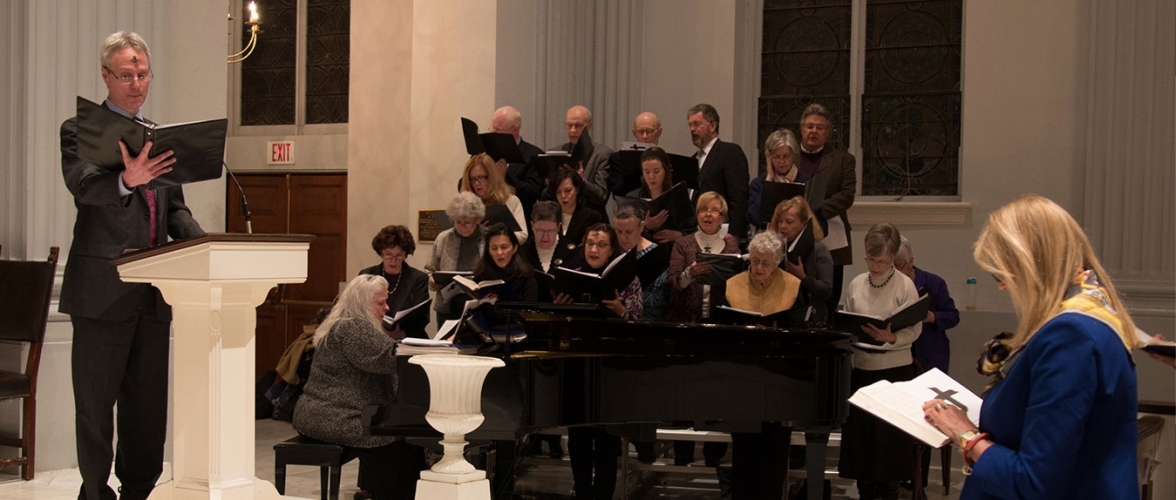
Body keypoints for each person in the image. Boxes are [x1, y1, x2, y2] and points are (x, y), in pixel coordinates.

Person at [59, 31, 206, 500]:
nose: (136, 83)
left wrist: (209, 247)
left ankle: (139, 491)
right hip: (102, 289)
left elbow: (175, 210)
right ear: (106, 75)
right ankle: (95, 493)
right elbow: (84, 186)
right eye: (126, 75)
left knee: (146, 408)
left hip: (153, 292)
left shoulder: (162, 136)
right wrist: (126, 179)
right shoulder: (80, 129)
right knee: (96, 408)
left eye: (143, 74)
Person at [923, 195, 1139, 500]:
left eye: (1000, 274)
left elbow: (1035, 482)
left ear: (1030, 264)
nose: (1001, 286)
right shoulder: (1093, 316)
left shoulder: (1070, 336)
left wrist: (965, 435)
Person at [293, 275, 426, 500]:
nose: (387, 307)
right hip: (332, 415)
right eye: (380, 303)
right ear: (363, 303)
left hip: (332, 411)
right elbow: (388, 359)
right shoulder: (353, 327)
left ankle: (377, 491)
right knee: (394, 442)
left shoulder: (345, 323)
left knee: (401, 438)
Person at [555, 223, 642, 500]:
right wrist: (559, 308)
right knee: (579, 441)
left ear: (612, 249)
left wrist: (621, 311)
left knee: (607, 444)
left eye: (601, 244)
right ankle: (581, 492)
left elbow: (640, 326)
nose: (593, 249)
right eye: (590, 243)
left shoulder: (628, 281)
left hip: (611, 372)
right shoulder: (573, 276)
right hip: (577, 370)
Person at [837, 223, 922, 500]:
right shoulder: (857, 283)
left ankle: (888, 494)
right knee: (862, 444)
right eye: (870, 259)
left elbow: (914, 328)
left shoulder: (904, 285)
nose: (875, 266)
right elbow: (848, 318)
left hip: (894, 371)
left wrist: (891, 336)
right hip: (861, 370)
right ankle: (865, 493)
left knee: (888, 446)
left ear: (893, 257)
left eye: (882, 261)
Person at [665, 192, 740, 468]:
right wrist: (689, 274)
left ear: (723, 218)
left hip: (719, 328)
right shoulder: (683, 245)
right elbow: (672, 286)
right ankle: (682, 454)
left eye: (715, 211)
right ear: (697, 215)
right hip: (687, 326)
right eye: (703, 210)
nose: (709, 215)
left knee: (715, 391)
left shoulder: (732, 244)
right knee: (684, 391)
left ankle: (713, 455)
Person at [892, 235, 959, 488]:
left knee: (926, 415)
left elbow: (953, 316)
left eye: (899, 265)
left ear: (911, 262)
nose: (895, 269)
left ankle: (916, 478)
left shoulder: (933, 283)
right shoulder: (889, 284)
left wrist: (931, 316)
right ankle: (899, 471)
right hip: (900, 355)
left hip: (931, 355)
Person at [795, 103, 857, 326]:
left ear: (828, 131)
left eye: (820, 127)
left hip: (832, 235)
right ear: (801, 128)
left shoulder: (842, 160)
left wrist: (814, 212)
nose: (813, 131)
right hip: (792, 234)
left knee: (828, 297)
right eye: (809, 126)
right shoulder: (787, 156)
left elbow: (847, 195)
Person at [688, 103, 750, 241]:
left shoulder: (729, 152)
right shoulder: (693, 159)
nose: (692, 129)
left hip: (723, 234)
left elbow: (739, 195)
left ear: (712, 126)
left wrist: (735, 233)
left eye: (697, 124)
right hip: (697, 235)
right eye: (690, 125)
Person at [769, 196, 835, 325]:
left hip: (810, 320)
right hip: (779, 317)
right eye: (780, 221)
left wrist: (803, 277)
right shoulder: (775, 249)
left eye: (789, 222)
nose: (782, 226)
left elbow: (826, 290)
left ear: (804, 223)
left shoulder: (819, 250)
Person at [358, 225, 431, 339]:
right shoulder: (367, 275)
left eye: (399, 255)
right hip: (373, 337)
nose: (393, 260)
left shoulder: (418, 278)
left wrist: (402, 334)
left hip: (408, 338)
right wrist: (381, 332)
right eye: (388, 254)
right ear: (381, 253)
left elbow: (422, 317)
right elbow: (359, 310)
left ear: (405, 255)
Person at [426, 192, 487, 325]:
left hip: (480, 306)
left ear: (477, 219)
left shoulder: (488, 238)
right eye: (458, 222)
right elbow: (430, 270)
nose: (462, 226)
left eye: (467, 222)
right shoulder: (444, 238)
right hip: (448, 307)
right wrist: (432, 281)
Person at [724, 232, 803, 325]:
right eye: (755, 261)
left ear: (776, 263)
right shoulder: (732, 284)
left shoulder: (793, 284)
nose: (759, 268)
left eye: (766, 263)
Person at [613, 204, 670, 322]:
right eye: (619, 231)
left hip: (647, 322)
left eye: (629, 232)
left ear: (642, 227)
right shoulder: (610, 250)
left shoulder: (658, 255)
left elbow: (659, 299)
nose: (623, 237)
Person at [489, 105, 546, 220]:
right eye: (492, 129)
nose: (493, 134)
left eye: (498, 130)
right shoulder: (487, 152)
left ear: (515, 129)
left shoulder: (534, 154)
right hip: (489, 216)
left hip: (519, 218)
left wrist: (506, 176)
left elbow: (533, 193)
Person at [629, 146, 694, 242]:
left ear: (666, 171)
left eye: (656, 171)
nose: (651, 176)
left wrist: (679, 235)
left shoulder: (678, 196)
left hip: (674, 251)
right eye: (647, 172)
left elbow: (694, 229)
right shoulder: (634, 197)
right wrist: (645, 226)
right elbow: (625, 234)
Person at [459, 153, 528, 243]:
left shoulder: (510, 200)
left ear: (492, 176)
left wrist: (496, 234)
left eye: (481, 177)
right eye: (473, 179)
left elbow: (522, 235)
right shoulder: (466, 204)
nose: (476, 183)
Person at [557, 105, 613, 214]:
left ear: (589, 126)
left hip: (591, 218)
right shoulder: (558, 151)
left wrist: (581, 180)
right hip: (561, 217)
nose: (573, 130)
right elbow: (545, 195)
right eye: (569, 125)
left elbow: (601, 195)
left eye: (578, 125)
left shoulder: (602, 154)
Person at [747, 128, 801, 230]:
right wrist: (769, 181)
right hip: (768, 239)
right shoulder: (759, 184)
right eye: (776, 157)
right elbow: (753, 218)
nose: (781, 161)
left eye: (786, 156)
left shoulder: (804, 180)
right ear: (769, 158)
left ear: (793, 156)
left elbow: (818, 221)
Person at [471, 223, 538, 303]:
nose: (499, 252)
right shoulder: (481, 276)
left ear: (514, 248)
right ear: (488, 251)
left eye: (504, 247)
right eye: (494, 248)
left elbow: (529, 313)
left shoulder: (526, 279)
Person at [607, 111, 664, 197]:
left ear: (659, 132)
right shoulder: (618, 158)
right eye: (640, 132)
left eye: (649, 131)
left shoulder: (665, 159)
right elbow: (617, 190)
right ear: (634, 133)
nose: (645, 136)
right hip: (629, 206)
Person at [549, 167, 604, 245]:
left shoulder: (592, 217)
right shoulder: (549, 216)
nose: (563, 196)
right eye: (558, 192)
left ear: (577, 190)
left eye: (568, 190)